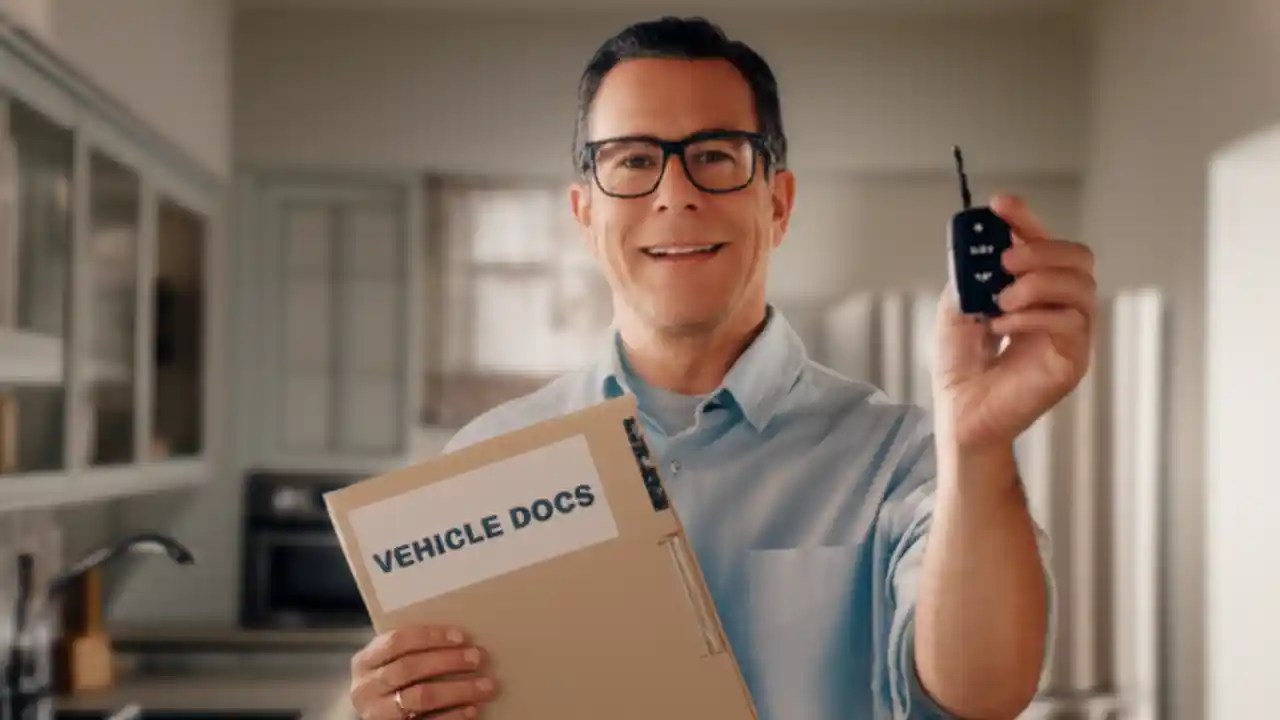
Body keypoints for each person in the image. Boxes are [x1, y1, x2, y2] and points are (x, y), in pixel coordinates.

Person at [348, 16, 1095, 720]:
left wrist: (978, 444)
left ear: (778, 201)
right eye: (634, 161)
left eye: (714, 156)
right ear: (583, 214)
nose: (676, 195)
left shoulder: (905, 462)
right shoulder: (482, 463)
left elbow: (983, 695)